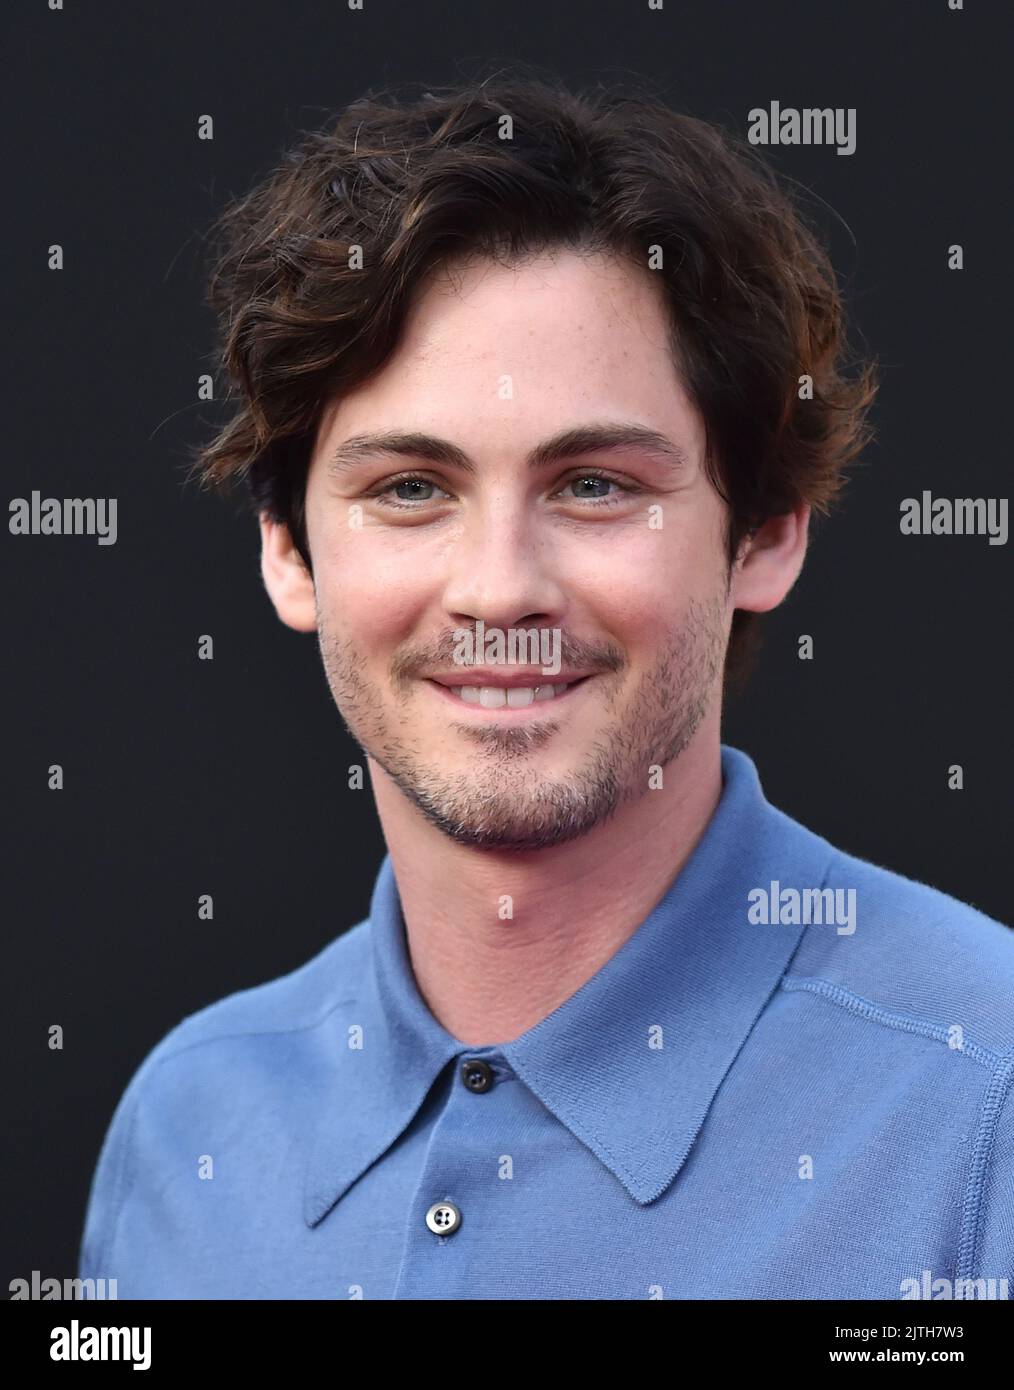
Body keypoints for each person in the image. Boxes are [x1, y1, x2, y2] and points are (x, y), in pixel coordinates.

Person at [79, 71, 1013, 1300]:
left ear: (768, 529)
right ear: (288, 551)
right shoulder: (186, 1128)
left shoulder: (984, 1095)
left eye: (594, 484)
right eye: (410, 487)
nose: (500, 590)